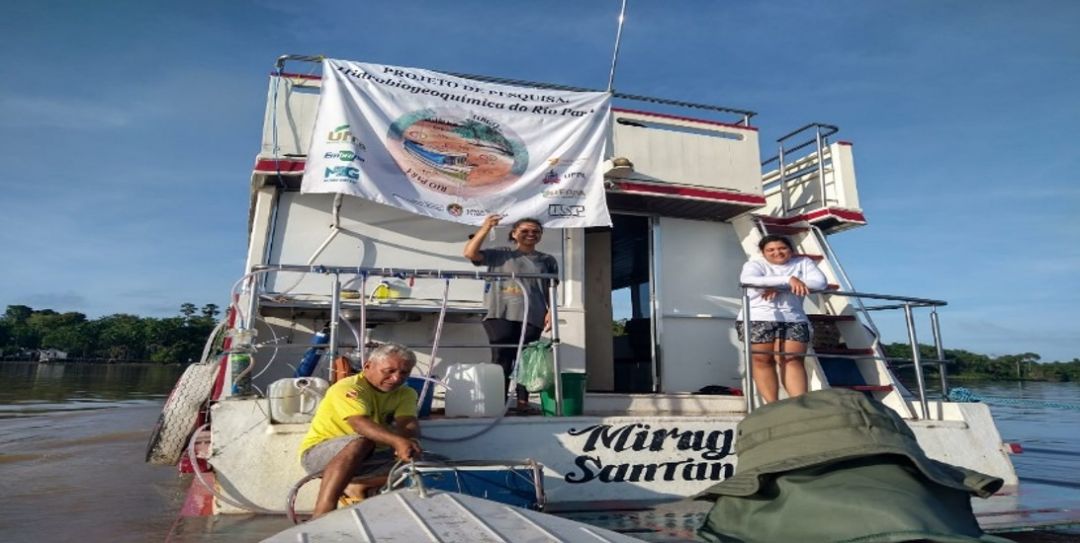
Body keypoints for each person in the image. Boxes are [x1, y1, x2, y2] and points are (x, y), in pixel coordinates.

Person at [298, 343, 422, 518]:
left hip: (372, 457)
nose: (396, 378)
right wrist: (397, 441)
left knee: (434, 466)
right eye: (389, 371)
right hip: (322, 455)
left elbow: (407, 422)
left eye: (404, 373)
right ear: (368, 366)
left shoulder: (407, 393)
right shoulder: (348, 388)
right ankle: (322, 513)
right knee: (361, 442)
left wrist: (409, 442)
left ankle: (357, 485)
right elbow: (359, 424)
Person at [463, 214, 558, 413]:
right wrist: (486, 227)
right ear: (514, 234)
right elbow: (470, 253)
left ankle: (523, 404)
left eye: (535, 231)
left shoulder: (547, 260)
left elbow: (551, 288)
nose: (530, 234)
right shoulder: (500, 254)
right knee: (502, 358)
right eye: (524, 231)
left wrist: (551, 311)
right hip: (500, 313)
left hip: (533, 316)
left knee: (526, 361)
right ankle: (497, 404)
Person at [736, 234, 827, 403]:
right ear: (763, 253)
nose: (777, 252)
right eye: (770, 250)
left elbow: (820, 283)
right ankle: (773, 405)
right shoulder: (754, 265)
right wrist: (787, 280)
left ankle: (799, 405)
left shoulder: (803, 263)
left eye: (782, 248)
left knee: (791, 359)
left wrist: (778, 287)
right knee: (762, 359)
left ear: (791, 250)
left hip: (793, 318)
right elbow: (747, 280)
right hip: (757, 317)